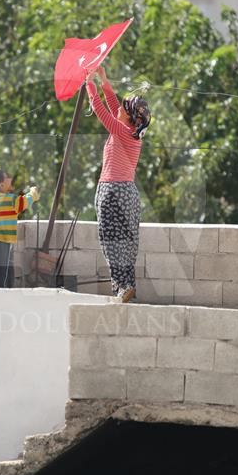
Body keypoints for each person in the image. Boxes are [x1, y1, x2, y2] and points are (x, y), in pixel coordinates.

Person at [86, 66, 151, 303]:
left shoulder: (120, 131)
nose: (119, 110)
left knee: (111, 242)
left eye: (123, 109)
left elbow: (101, 111)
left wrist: (89, 85)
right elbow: (113, 106)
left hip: (112, 190)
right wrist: (103, 79)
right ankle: (128, 288)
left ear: (128, 116)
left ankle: (122, 288)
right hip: (129, 193)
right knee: (127, 243)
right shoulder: (131, 131)